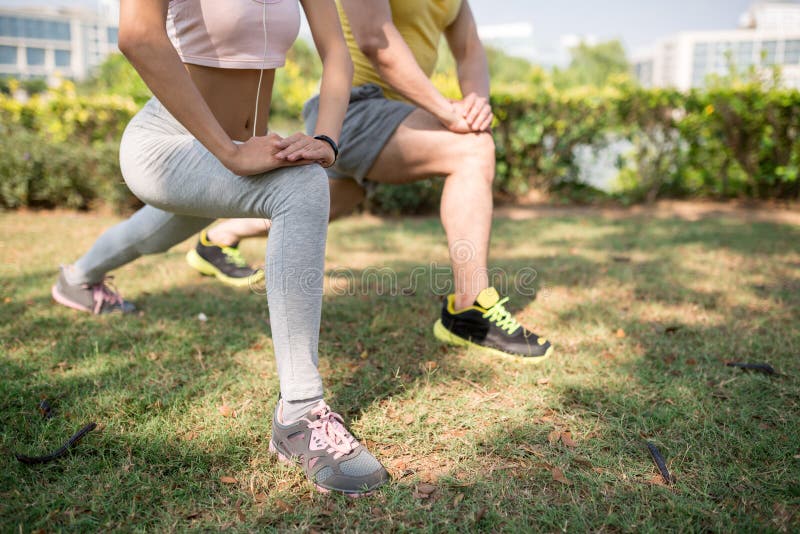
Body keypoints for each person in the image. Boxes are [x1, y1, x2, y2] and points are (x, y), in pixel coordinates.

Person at [51, 0, 388, 497]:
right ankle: (299, 413)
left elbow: (336, 51)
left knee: (158, 231)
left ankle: (78, 279)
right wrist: (229, 152)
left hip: (231, 151)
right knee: (301, 187)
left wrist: (327, 140)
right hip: (166, 145)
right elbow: (138, 36)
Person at [186, 0, 554, 362]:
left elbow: (470, 49)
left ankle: (216, 238)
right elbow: (373, 40)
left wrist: (476, 104)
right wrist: (447, 111)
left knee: (330, 199)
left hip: (397, 117)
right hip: (351, 110)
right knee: (473, 150)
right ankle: (469, 308)